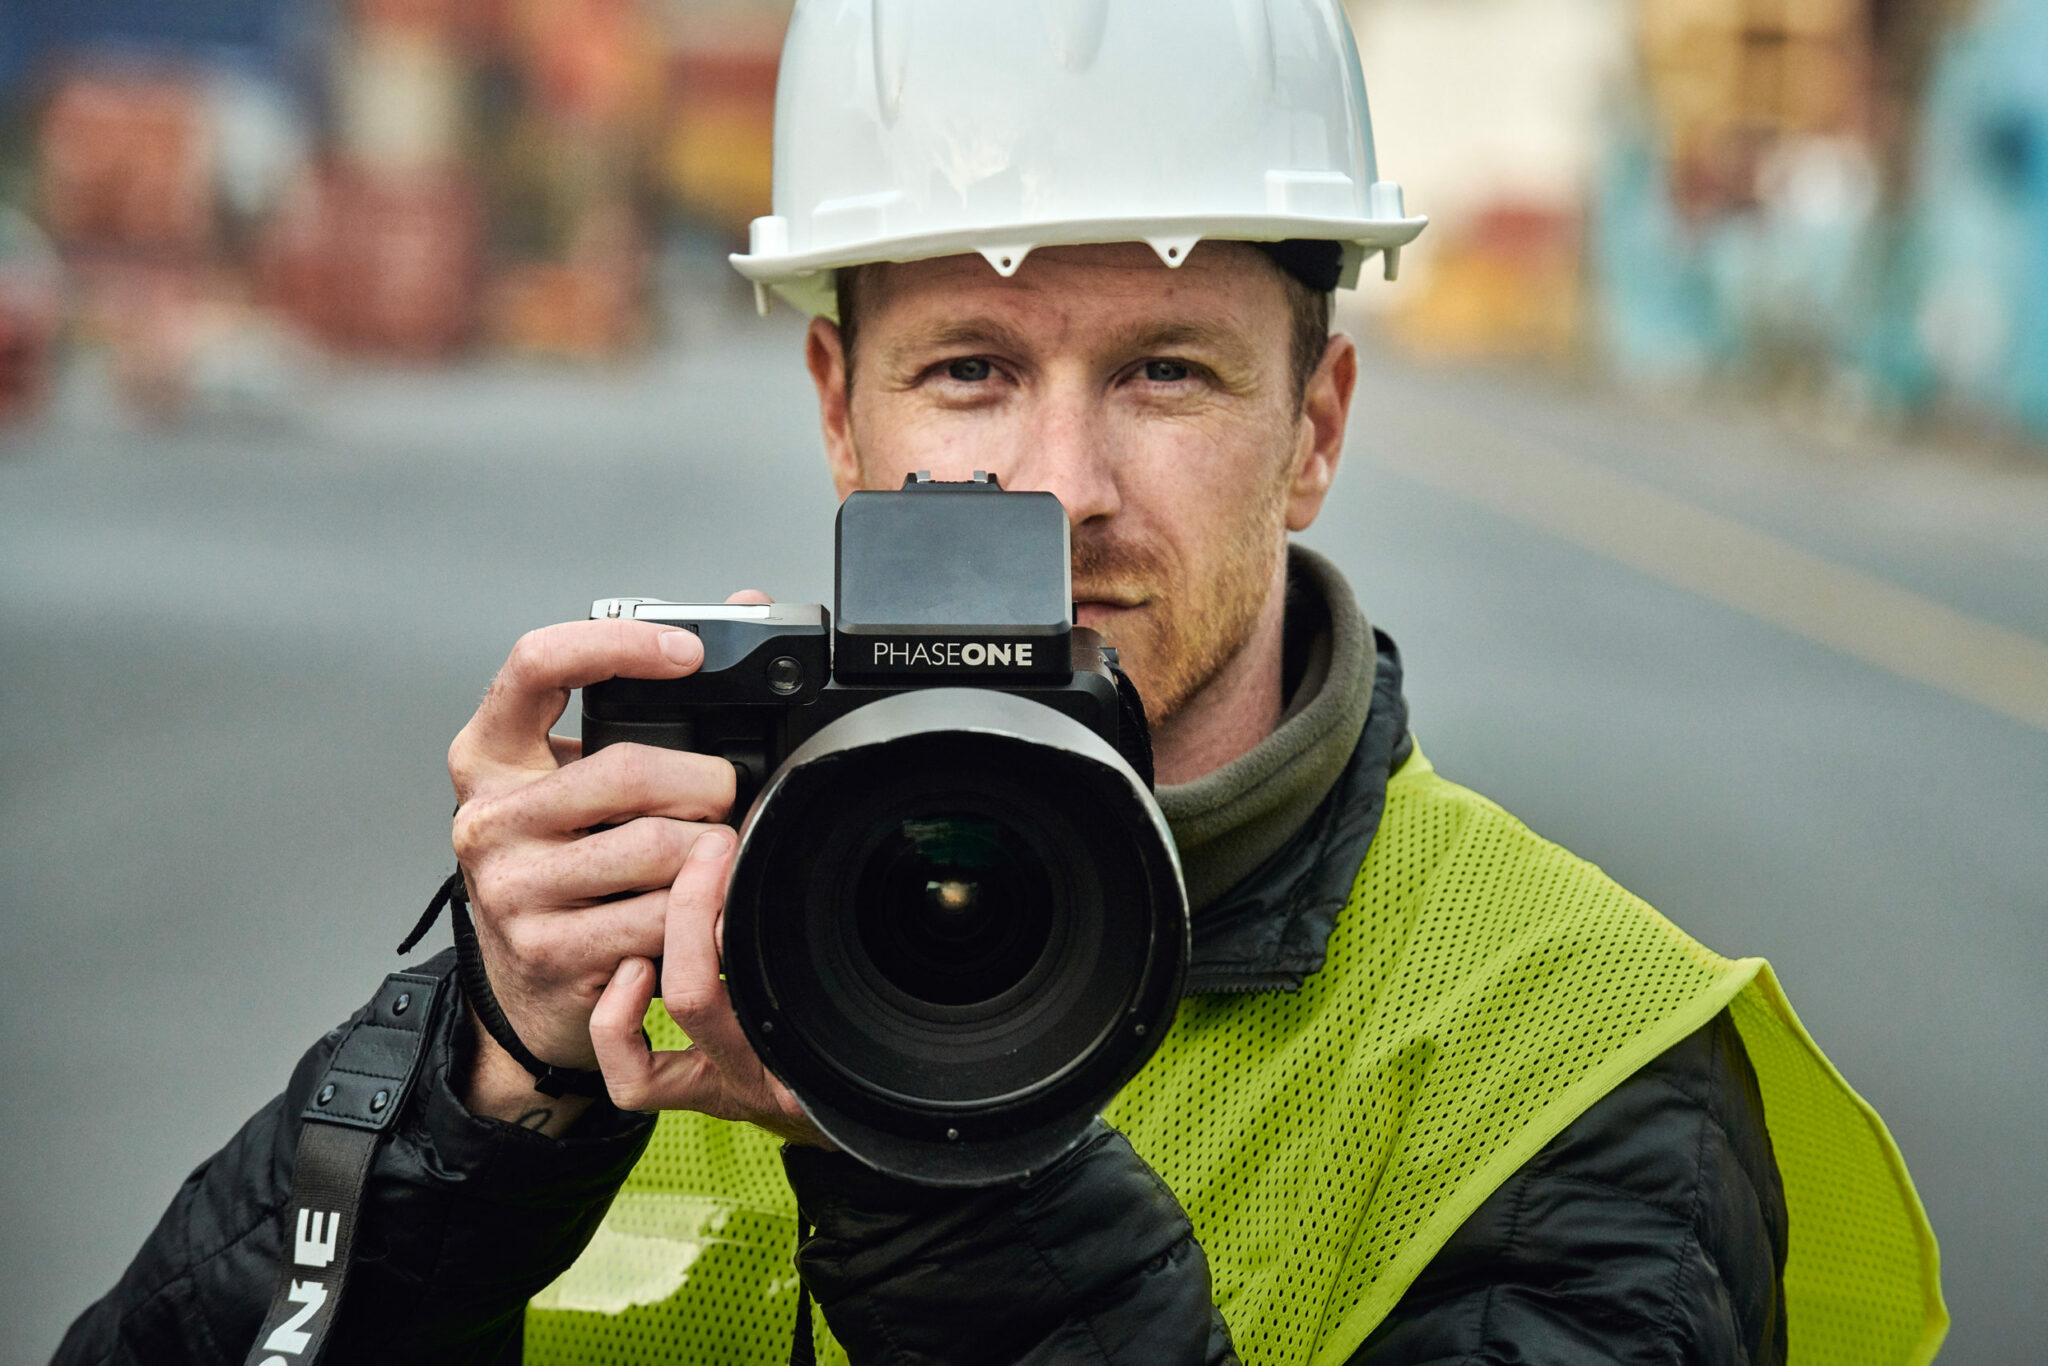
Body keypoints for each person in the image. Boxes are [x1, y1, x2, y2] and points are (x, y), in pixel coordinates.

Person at [57, 3, 1945, 1364]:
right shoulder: (658, 912)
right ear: (838, 412)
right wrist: (476, 1091)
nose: (1059, 487)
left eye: (1167, 374)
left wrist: (949, 1177)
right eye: (967, 368)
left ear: (1314, 429)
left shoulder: (1577, 1070)